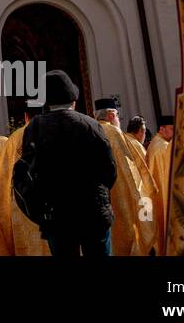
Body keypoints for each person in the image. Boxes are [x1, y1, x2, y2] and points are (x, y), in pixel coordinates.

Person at [20, 71, 117, 257]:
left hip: (57, 215)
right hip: (94, 212)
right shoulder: (91, 124)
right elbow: (109, 170)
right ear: (74, 100)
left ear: (46, 102)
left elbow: (28, 172)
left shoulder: (35, 128)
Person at [95, 97, 158, 256]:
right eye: (117, 115)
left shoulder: (93, 128)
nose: (118, 119)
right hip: (119, 194)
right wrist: (140, 193)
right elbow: (127, 168)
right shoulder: (113, 131)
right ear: (110, 115)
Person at [0, 105, 48, 256]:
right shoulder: (53, 131)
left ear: (26, 116)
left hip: (24, 207)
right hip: (53, 206)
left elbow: (3, 180)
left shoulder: (14, 139)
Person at [145, 115, 174, 252]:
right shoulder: (163, 147)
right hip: (163, 195)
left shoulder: (155, 143)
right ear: (162, 129)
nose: (173, 132)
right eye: (171, 129)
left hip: (154, 196)